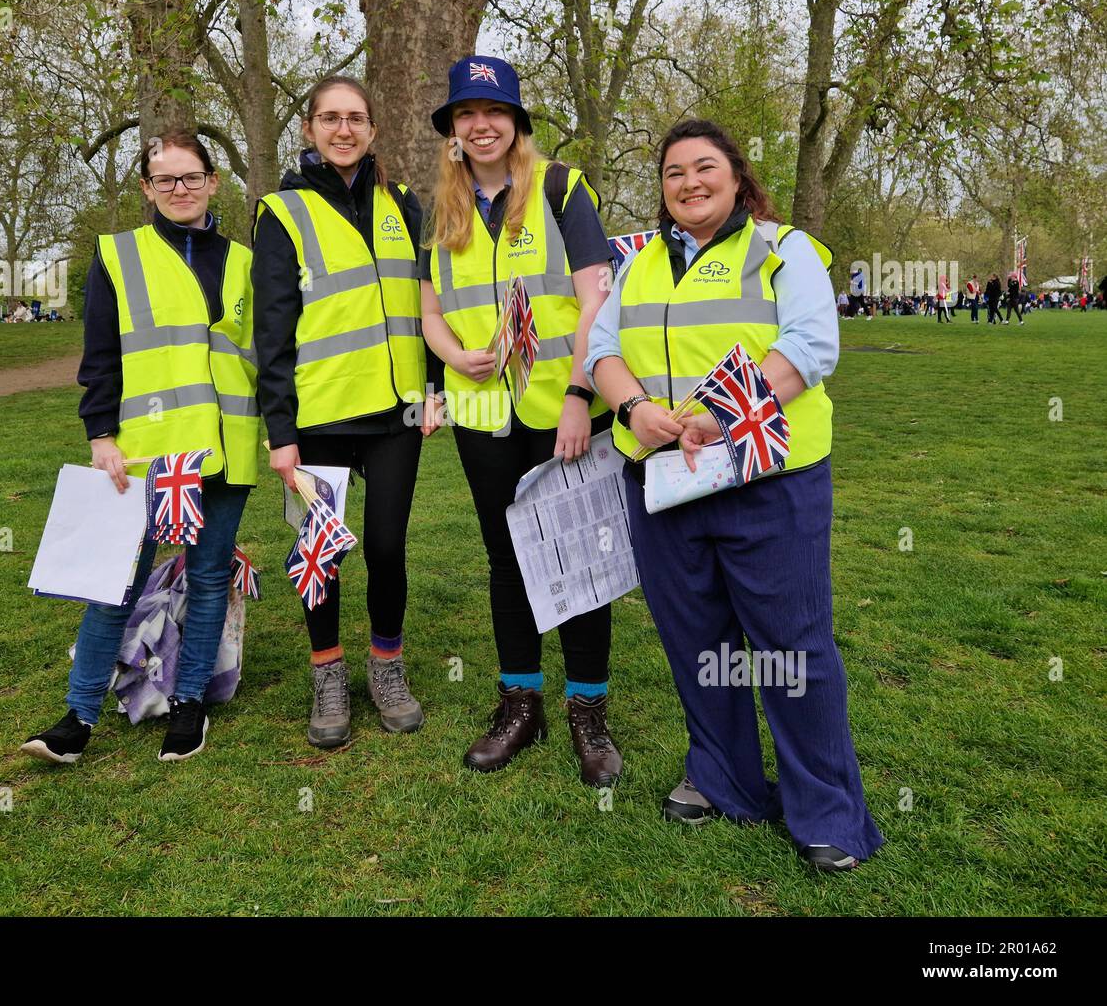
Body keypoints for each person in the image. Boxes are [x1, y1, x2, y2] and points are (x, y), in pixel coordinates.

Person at [587, 117, 883, 871]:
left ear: (737, 175)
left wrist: (724, 415)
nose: (688, 182)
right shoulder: (638, 261)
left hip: (766, 481)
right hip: (664, 479)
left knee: (790, 647)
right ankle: (724, 780)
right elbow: (600, 351)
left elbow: (811, 346)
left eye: (704, 167)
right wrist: (633, 410)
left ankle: (829, 812)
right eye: (673, 172)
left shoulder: (784, 250)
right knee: (697, 643)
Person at [22, 130, 260, 765]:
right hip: (143, 454)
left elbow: (263, 356)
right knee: (114, 584)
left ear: (214, 182)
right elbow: (99, 353)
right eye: (165, 180)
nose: (179, 190)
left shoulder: (244, 261)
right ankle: (78, 717)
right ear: (148, 189)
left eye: (190, 178)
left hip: (224, 448)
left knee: (209, 578)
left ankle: (188, 704)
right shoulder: (117, 256)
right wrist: (99, 433)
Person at [420, 55, 621, 787]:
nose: (480, 125)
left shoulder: (561, 189)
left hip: (563, 410)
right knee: (507, 559)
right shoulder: (439, 207)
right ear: (452, 129)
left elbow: (597, 300)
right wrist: (454, 355)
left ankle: (588, 710)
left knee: (578, 559)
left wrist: (576, 394)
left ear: (517, 123)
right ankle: (520, 702)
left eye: (493, 112)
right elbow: (429, 311)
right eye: (465, 115)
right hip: (481, 413)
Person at [252, 75, 433, 749]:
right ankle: (327, 672)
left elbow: (429, 301)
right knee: (318, 552)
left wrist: (436, 385)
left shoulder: (403, 203)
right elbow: (272, 331)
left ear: (374, 129)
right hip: (319, 414)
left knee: (387, 547)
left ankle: (387, 665)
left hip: (396, 413)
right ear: (308, 128)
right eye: (330, 118)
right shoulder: (281, 211)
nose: (344, 129)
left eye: (356, 117)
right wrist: (280, 432)